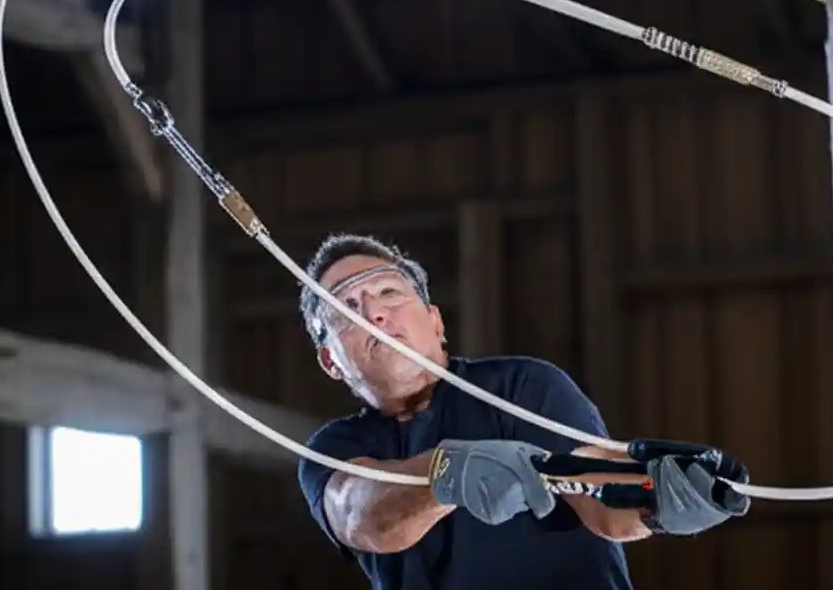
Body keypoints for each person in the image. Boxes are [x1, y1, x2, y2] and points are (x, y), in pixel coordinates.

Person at [295, 233, 749, 589]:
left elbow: (596, 488)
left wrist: (660, 499)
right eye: (344, 307)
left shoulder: (520, 386)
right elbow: (359, 515)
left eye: (390, 292)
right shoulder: (335, 448)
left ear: (436, 321)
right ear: (330, 361)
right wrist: (444, 472)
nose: (374, 313)